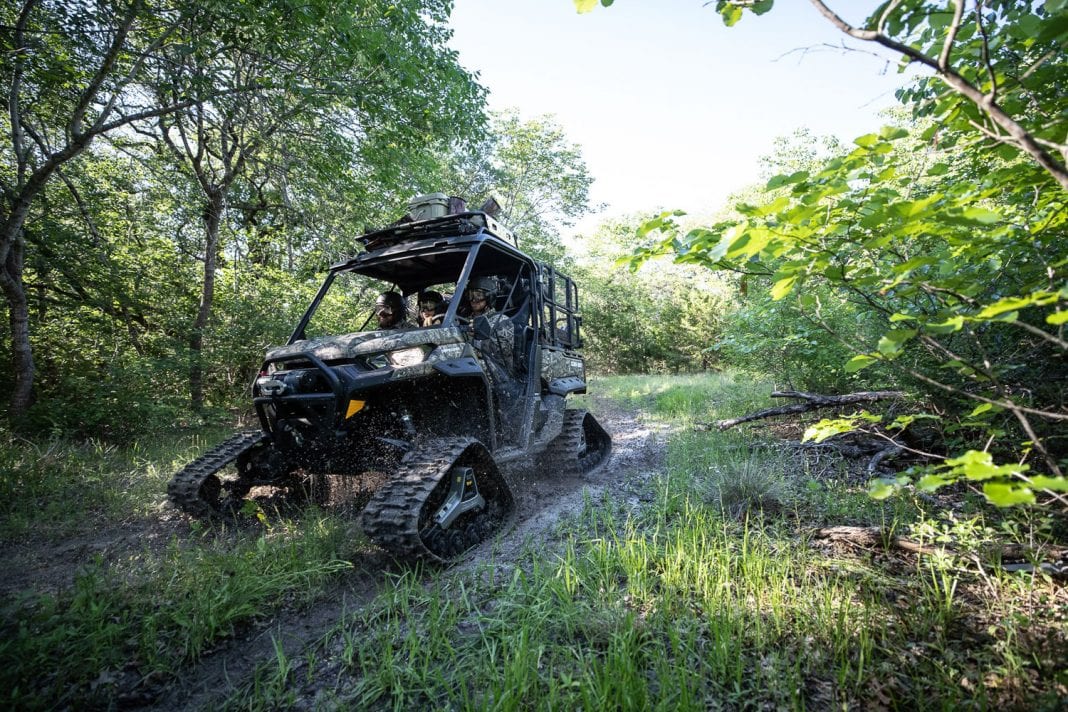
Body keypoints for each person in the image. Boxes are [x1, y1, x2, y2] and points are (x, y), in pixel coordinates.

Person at [464, 276, 514, 370]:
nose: (473, 300)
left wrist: (475, 339)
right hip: (468, 363)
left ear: (489, 297)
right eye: (470, 295)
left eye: (478, 295)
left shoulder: (501, 321)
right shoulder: (465, 319)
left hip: (497, 370)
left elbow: (503, 353)